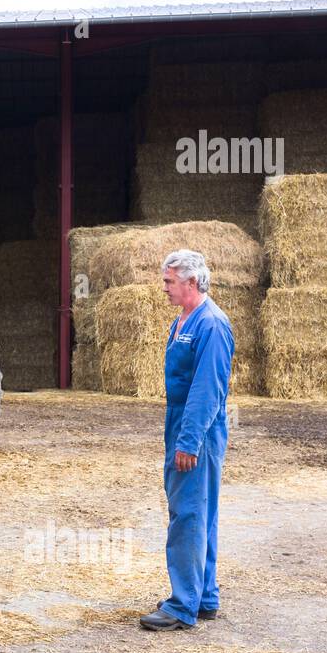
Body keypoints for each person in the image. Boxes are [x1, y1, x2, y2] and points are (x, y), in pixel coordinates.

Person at [139, 249, 234, 632]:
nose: (164, 288)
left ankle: (182, 605)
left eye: (169, 282)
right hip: (180, 422)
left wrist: (189, 442)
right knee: (199, 511)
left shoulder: (211, 324)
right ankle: (203, 596)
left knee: (189, 514)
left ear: (191, 282)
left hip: (198, 428)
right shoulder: (184, 320)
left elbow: (207, 390)